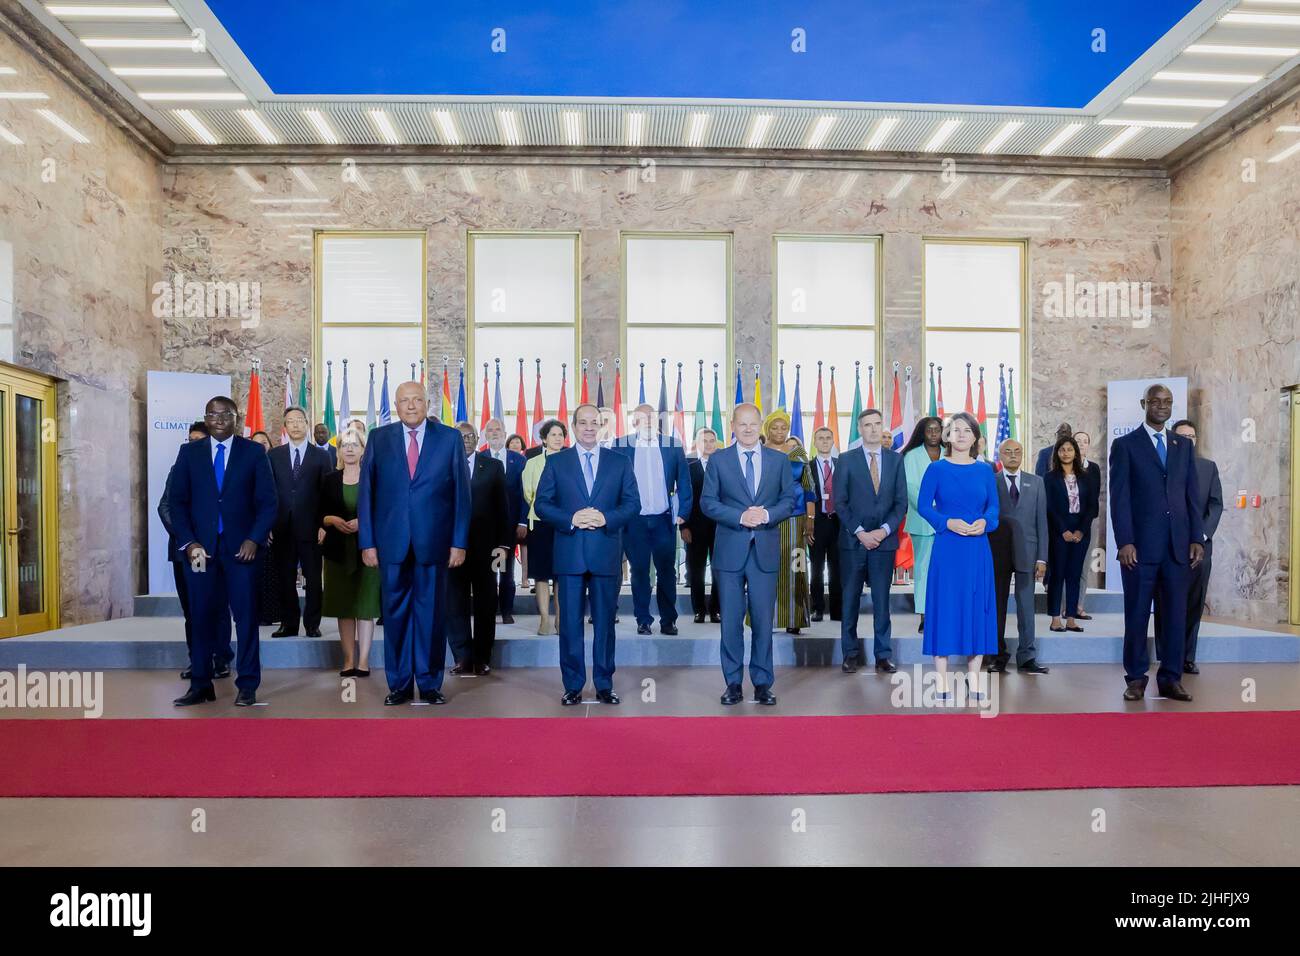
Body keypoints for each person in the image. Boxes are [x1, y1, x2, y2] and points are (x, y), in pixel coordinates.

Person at [357, 381, 470, 706]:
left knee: (432, 616)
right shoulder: (380, 438)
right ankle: (400, 684)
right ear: (396, 404)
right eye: (404, 401)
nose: (410, 406)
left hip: (434, 544)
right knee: (395, 617)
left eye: (416, 400)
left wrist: (458, 542)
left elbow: (462, 495)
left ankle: (430, 682)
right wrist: (368, 542)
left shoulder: (448, 438)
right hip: (390, 545)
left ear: (427, 403)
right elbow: (366, 494)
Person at [169, 396, 278, 707]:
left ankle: (247, 684)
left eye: (223, 413)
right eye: (211, 414)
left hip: (241, 553)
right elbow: (177, 503)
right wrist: (189, 543)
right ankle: (201, 684)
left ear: (236, 417)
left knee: (245, 619)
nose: (217, 418)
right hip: (201, 554)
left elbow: (268, 503)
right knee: (201, 617)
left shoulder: (254, 452)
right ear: (205, 417)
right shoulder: (189, 453)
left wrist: (254, 539)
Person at [533, 404, 640, 705]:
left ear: (602, 425)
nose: (590, 427)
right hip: (570, 553)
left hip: (606, 552)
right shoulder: (557, 462)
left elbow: (633, 503)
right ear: (574, 426)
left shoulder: (619, 462)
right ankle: (573, 685)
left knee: (606, 623)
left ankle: (605, 683)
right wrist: (572, 518)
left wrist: (607, 518)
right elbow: (542, 504)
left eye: (595, 422)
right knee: (569, 624)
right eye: (583, 423)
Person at [701, 403, 804, 706]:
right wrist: (740, 516)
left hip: (766, 551)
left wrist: (768, 514)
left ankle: (762, 683)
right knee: (730, 622)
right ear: (732, 425)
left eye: (752, 423)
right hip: (730, 552)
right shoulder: (718, 460)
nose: (747, 429)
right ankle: (732, 683)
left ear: (760, 425)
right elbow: (708, 503)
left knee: (762, 622)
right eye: (741, 424)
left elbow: (790, 501)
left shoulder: (778, 460)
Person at [1109, 383, 1203, 702]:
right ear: (1143, 403)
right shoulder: (1125, 445)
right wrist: (1125, 541)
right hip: (1140, 549)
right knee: (1136, 614)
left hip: (1178, 548)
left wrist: (1196, 538)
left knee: (1175, 616)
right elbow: (1119, 499)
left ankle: (1171, 678)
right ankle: (1136, 678)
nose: (1162, 406)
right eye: (1156, 401)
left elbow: (1191, 495)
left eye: (1168, 402)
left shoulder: (1182, 446)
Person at [916, 412, 1000, 700]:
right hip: (948, 547)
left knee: (978, 606)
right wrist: (946, 522)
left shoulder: (985, 471)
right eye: (956, 430)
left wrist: (985, 523)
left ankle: (974, 677)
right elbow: (924, 506)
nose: (961, 435)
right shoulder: (936, 469)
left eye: (968, 430)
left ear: (976, 437)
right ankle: (941, 679)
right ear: (947, 436)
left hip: (977, 548)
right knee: (945, 605)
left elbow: (994, 509)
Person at [835, 408, 908, 674]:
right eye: (868, 425)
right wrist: (861, 532)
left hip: (884, 543)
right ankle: (850, 653)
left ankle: (883, 655)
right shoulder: (845, 460)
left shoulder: (895, 460)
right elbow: (839, 503)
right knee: (850, 600)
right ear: (860, 429)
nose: (874, 429)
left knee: (881, 601)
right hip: (854, 543)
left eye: (878, 424)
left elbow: (901, 503)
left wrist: (884, 531)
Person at [159, 421, 233, 681]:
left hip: (217, 550)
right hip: (186, 552)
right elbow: (165, 507)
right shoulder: (177, 468)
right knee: (193, 609)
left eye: (199, 439)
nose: (193, 444)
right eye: (190, 440)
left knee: (219, 606)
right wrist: (189, 541)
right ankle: (197, 660)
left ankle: (221, 658)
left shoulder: (223, 469)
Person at [609, 403, 692, 636]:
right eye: (640, 418)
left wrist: (683, 514)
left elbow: (684, 483)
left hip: (664, 520)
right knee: (639, 571)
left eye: (650, 417)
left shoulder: (672, 446)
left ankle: (668, 620)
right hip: (633, 521)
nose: (646, 421)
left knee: (667, 571)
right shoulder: (620, 445)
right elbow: (613, 483)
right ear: (634, 421)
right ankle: (643, 620)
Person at [1154, 419, 1223, 675]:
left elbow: (1215, 504)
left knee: (1194, 603)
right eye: (1182, 435)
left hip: (1200, 549)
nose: (1187, 440)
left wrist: (1201, 535)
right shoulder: (1163, 467)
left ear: (1196, 439)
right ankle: (1165, 654)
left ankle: (1187, 656)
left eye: (1191, 436)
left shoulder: (1208, 467)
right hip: (1168, 548)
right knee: (1165, 602)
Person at [447, 422, 512, 677]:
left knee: (486, 603)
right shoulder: (445, 466)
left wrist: (504, 545)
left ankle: (483, 657)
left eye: (471, 436)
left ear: (478, 439)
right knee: (455, 603)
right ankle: (462, 657)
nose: (466, 440)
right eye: (461, 437)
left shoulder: (494, 466)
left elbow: (502, 508)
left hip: (488, 549)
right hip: (452, 548)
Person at [320, 427, 381, 677]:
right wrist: (332, 519)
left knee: (365, 607)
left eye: (354, 445)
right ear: (339, 451)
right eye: (345, 445)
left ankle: (364, 660)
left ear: (363, 450)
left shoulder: (373, 478)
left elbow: (383, 511)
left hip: (367, 551)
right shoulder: (329, 479)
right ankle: (348, 659)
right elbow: (318, 515)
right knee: (344, 607)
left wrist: (363, 522)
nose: (349, 449)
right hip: (336, 553)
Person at [267, 406, 332, 638]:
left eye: (299, 420)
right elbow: (268, 493)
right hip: (281, 526)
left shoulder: (322, 456)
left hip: (313, 528)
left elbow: (328, 493)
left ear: (307, 424)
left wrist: (324, 524)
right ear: (285, 427)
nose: (295, 425)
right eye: (290, 421)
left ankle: (312, 624)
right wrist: (267, 524)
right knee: (285, 577)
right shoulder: (274, 456)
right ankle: (289, 623)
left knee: (314, 578)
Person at [987, 439, 1050, 674]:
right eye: (1008, 452)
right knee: (997, 605)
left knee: (1026, 605)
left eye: (1017, 451)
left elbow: (1042, 522)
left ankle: (1027, 656)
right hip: (997, 552)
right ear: (1000, 455)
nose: (1013, 455)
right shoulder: (990, 482)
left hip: (1028, 552)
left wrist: (1042, 558)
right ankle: (996, 655)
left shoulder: (1037, 483)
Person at [760, 409, 814, 634]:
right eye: (775, 427)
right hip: (767, 519)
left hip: (796, 519)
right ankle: (766, 619)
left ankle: (795, 619)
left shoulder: (799, 453)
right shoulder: (759, 452)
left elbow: (809, 489)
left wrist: (810, 518)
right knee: (766, 568)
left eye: (784, 427)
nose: (780, 431)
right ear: (767, 430)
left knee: (796, 567)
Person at [1044, 435, 1096, 634]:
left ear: (1076, 452)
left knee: (1074, 575)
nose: (1066, 453)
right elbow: (1049, 507)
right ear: (1057, 453)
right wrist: (1064, 530)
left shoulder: (1086, 476)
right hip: (1059, 530)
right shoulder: (1050, 477)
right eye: (1062, 449)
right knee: (1058, 575)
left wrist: (1080, 530)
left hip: (1081, 530)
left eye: (1070, 449)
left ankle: (1071, 618)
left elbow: (1091, 506)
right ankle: (1056, 619)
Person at [522, 419, 567, 634]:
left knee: (560, 573)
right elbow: (528, 492)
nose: (558, 438)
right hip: (539, 522)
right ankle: (544, 619)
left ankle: (560, 618)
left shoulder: (571, 461)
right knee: (541, 574)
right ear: (544, 439)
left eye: (561, 435)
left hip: (564, 523)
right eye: (553, 435)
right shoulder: (532, 463)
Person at [482, 417, 528, 624]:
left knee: (506, 571)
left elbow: (524, 494)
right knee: (490, 570)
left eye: (498, 429)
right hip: (484, 527)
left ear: (504, 432)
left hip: (509, 526)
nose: (494, 433)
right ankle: (489, 609)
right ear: (485, 434)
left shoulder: (518, 460)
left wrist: (522, 522)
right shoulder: (479, 458)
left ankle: (507, 610)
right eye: (490, 430)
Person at [901, 416, 943, 633]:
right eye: (930, 430)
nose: (934, 433)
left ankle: (943, 613)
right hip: (923, 520)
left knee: (946, 572)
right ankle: (925, 615)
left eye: (937, 430)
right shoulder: (911, 456)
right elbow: (910, 487)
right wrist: (932, 510)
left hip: (949, 523)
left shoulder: (951, 454)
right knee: (924, 570)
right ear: (922, 432)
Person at [683, 427, 721, 623]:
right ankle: (699, 609)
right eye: (704, 440)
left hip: (720, 527)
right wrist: (683, 527)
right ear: (697, 443)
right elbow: (684, 498)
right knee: (696, 571)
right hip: (695, 528)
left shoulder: (724, 466)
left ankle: (715, 610)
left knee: (719, 570)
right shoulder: (688, 466)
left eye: (711, 440)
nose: (708, 444)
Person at [807, 426, 841, 623]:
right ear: (815, 442)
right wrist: (807, 524)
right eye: (821, 438)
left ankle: (837, 610)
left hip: (838, 522)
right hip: (817, 522)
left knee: (837, 568)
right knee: (817, 568)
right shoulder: (808, 467)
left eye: (828, 438)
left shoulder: (842, 464)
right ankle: (817, 608)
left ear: (833, 441)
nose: (825, 441)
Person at [248, 431, 281, 626]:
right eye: (256, 443)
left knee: (272, 572)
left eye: (264, 442)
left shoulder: (276, 462)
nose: (261, 446)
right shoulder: (246, 465)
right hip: (250, 528)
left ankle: (271, 613)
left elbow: (275, 496)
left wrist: (269, 525)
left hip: (273, 524)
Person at [1071, 430, 1100, 619]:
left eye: (1085, 441)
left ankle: (1079, 606)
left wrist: (1083, 526)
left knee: (1082, 566)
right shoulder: (1063, 466)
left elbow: (1094, 499)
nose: (1081, 444)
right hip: (1066, 524)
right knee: (1067, 567)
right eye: (1078, 441)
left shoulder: (1094, 468)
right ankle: (1066, 606)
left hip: (1087, 522)